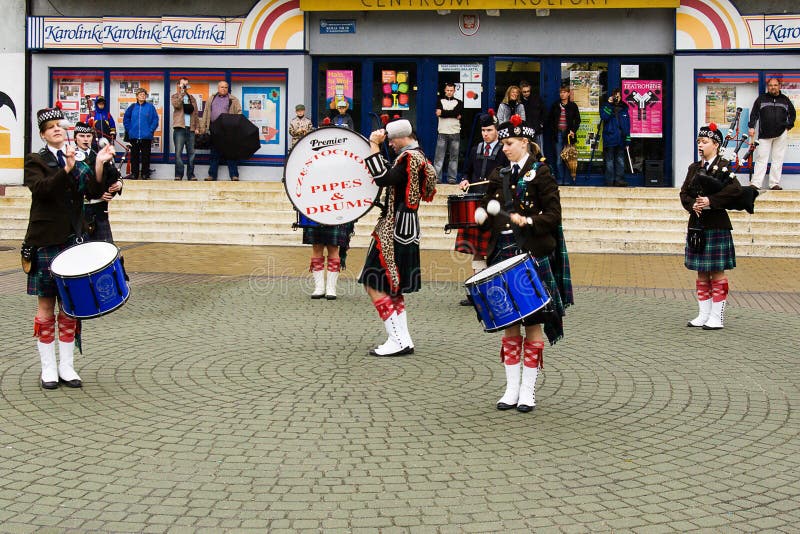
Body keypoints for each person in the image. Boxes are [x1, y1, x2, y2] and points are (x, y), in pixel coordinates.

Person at [474, 115, 573, 412]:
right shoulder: (499, 174)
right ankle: (511, 389)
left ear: (524, 143)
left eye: (509, 143)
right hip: (502, 254)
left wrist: (528, 221)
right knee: (509, 324)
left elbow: (554, 215)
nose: (504, 148)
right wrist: (482, 214)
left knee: (532, 323)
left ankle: (528, 391)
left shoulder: (541, 173)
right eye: (503, 144)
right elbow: (488, 206)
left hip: (531, 254)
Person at [23, 107, 114, 389]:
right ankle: (48, 369)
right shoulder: (36, 160)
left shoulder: (77, 157)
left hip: (73, 242)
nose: (57, 130)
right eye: (51, 128)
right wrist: (66, 169)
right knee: (45, 308)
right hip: (45, 241)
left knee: (70, 308)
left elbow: (94, 192)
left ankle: (67, 367)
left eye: (60, 126)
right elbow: (42, 190)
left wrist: (99, 164)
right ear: (43, 135)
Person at [359, 119, 437, 356]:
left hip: (394, 228)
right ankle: (403, 339)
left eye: (392, 140)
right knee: (392, 287)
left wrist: (374, 145)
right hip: (404, 227)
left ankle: (396, 339)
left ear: (403, 137)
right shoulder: (417, 156)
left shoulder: (409, 158)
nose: (390, 144)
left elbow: (383, 178)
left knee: (373, 281)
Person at [680, 123, 742, 330]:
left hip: (716, 224)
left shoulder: (724, 166)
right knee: (701, 272)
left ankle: (717, 317)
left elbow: (735, 190)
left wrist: (710, 201)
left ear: (715, 145)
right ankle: (703, 314)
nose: (700, 145)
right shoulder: (693, 168)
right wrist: (692, 205)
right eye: (699, 141)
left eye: (704, 142)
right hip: (697, 226)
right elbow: (684, 193)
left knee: (716, 272)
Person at [456, 112, 509, 306]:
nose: (485, 134)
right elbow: (467, 171)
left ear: (497, 131)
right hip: (476, 203)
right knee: (477, 250)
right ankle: (477, 293)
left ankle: (495, 292)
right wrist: (464, 180)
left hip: (495, 205)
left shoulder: (504, 151)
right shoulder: (475, 149)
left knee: (494, 250)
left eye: (489, 130)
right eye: (483, 130)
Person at [303, 108, 353, 300]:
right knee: (316, 246)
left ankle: (331, 288)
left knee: (333, 248)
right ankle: (319, 287)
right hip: (315, 207)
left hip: (336, 206)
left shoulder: (344, 157)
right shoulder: (310, 156)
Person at [74, 122, 123, 243]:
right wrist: (97, 194)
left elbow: (114, 173)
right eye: (81, 136)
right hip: (81, 211)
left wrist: (119, 183)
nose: (86, 139)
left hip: (100, 211)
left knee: (105, 250)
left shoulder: (99, 155)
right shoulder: (71, 157)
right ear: (75, 138)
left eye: (88, 136)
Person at [747, 77, 796, 190]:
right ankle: (756, 183)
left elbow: (792, 114)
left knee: (778, 159)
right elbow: (754, 114)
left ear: (779, 86)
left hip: (781, 134)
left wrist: (788, 126)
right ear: (767, 87)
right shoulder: (761, 99)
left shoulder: (785, 100)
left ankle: (774, 183)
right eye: (770, 85)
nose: (772, 87)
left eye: (775, 85)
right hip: (764, 134)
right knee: (761, 158)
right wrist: (752, 127)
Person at [200, 80, 243, 181]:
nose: (224, 89)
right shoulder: (211, 98)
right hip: (214, 129)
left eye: (226, 87)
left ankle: (234, 175)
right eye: (222, 87)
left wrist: (235, 125)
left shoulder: (233, 99)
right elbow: (206, 113)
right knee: (214, 153)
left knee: (231, 152)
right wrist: (203, 127)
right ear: (218, 88)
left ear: (228, 89)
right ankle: (212, 175)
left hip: (228, 129)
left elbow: (239, 113)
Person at [547, 83, 581, 185]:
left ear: (568, 93)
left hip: (568, 135)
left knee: (568, 158)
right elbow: (550, 119)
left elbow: (578, 120)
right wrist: (553, 130)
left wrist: (573, 130)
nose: (562, 94)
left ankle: (567, 180)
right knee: (559, 159)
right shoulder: (555, 105)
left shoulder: (572, 106)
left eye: (564, 92)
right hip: (557, 134)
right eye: (561, 92)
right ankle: (560, 179)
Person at [122, 87, 159, 180]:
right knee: (134, 156)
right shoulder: (132, 107)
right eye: (140, 94)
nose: (142, 96)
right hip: (134, 136)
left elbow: (155, 119)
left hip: (146, 136)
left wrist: (150, 130)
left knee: (146, 156)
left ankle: (145, 174)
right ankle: (134, 174)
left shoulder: (150, 107)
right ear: (137, 96)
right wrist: (130, 130)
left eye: (144, 94)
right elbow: (126, 119)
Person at [600, 88, 631, 187]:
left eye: (618, 96)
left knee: (620, 160)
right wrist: (609, 104)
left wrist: (627, 140)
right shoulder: (606, 106)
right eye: (615, 96)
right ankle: (610, 181)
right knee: (609, 161)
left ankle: (619, 180)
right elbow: (604, 116)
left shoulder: (624, 109)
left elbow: (627, 126)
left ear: (621, 97)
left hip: (621, 139)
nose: (616, 98)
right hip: (610, 138)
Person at [433, 82, 463, 184]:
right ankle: (437, 178)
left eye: (451, 90)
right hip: (442, 131)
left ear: (454, 91)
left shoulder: (459, 102)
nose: (449, 92)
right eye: (448, 90)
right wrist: (453, 114)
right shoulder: (439, 101)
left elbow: (455, 112)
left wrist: (443, 113)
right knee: (439, 157)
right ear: (445, 91)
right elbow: (441, 114)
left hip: (455, 132)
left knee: (454, 157)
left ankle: (452, 178)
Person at [171, 77, 200, 181]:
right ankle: (179, 174)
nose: (184, 86)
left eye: (186, 85)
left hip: (191, 129)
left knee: (191, 153)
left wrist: (197, 127)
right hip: (180, 128)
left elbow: (195, 113)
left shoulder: (192, 98)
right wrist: (182, 94)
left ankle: (191, 175)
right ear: (178, 85)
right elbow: (177, 105)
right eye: (183, 84)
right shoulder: (175, 96)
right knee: (178, 153)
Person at [520, 81, 545, 150]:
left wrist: (541, 124)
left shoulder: (537, 99)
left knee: (539, 150)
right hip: (525, 130)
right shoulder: (519, 101)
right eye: (524, 92)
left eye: (528, 91)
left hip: (537, 130)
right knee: (526, 150)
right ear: (521, 91)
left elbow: (544, 112)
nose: (526, 93)